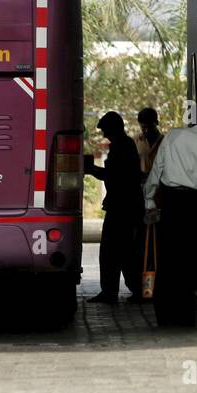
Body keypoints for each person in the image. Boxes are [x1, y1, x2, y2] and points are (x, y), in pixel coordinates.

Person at [143, 111, 197, 326]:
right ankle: (185, 314)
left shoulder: (172, 136)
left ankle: (164, 314)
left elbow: (157, 169)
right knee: (190, 261)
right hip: (194, 205)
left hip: (170, 203)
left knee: (168, 259)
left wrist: (149, 200)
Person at [84, 112, 144, 304]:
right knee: (124, 251)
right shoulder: (124, 145)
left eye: (106, 130)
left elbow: (115, 176)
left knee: (114, 251)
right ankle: (133, 290)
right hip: (125, 206)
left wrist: (91, 169)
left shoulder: (122, 147)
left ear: (113, 128)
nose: (105, 134)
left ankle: (115, 291)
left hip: (122, 208)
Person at [136, 107, 163, 177]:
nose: (147, 130)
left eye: (150, 127)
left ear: (157, 123)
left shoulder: (166, 143)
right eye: (143, 127)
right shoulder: (135, 141)